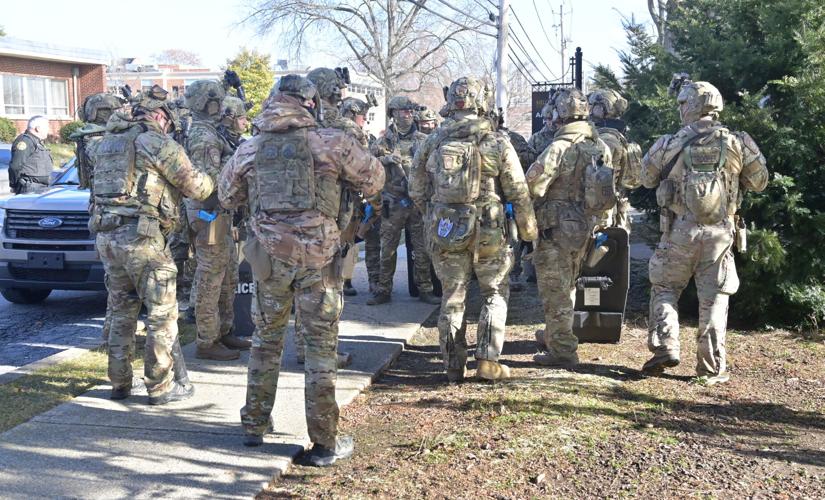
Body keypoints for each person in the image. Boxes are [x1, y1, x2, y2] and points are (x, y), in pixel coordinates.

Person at [218, 75, 384, 465]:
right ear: (310, 104)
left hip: (269, 259)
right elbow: (376, 179)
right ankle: (325, 442)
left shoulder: (251, 147)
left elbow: (226, 195)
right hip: (319, 259)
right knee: (320, 348)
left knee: (265, 341)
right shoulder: (331, 142)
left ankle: (254, 425)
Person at [90, 85, 214, 404]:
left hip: (107, 237)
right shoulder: (155, 141)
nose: (168, 127)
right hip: (142, 239)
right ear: (159, 115)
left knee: (121, 309)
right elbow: (196, 187)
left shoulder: (105, 143)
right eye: (168, 122)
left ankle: (119, 383)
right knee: (161, 312)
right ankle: (160, 386)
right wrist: (211, 178)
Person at [410, 77, 537, 382]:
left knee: (452, 297)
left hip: (446, 231)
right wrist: (529, 232)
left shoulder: (432, 142)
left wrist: (435, 213)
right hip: (489, 233)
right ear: (482, 103)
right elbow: (518, 191)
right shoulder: (496, 142)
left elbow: (416, 189)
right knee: (494, 293)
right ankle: (488, 361)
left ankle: (453, 367)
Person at [641, 80, 768, 385]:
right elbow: (760, 181)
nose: (680, 108)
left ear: (698, 105)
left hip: (678, 232)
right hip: (721, 235)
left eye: (684, 103)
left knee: (665, 288)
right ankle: (710, 368)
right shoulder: (737, 143)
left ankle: (665, 346)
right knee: (714, 298)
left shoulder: (669, 143)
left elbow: (645, 178)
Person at [525, 88, 613, 367]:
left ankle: (562, 350)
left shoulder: (559, 147)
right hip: (585, 227)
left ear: (560, 115)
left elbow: (532, 185)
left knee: (555, 291)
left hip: (556, 229)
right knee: (569, 284)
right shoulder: (600, 146)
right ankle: (555, 333)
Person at [184, 80, 251, 361]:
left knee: (227, 276)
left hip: (219, 213)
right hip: (208, 213)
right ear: (207, 103)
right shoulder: (203, 137)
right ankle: (207, 340)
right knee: (211, 279)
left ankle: (224, 331)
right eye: (217, 102)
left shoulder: (213, 133)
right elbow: (209, 180)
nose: (222, 107)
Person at [368, 96, 439, 306]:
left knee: (421, 249)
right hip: (393, 202)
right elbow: (367, 164)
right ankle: (383, 290)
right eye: (403, 111)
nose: (407, 114)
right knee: (387, 249)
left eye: (410, 111)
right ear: (393, 113)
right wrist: (385, 160)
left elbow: (434, 165)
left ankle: (425, 289)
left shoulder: (422, 139)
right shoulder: (383, 142)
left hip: (417, 203)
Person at [587, 89, 642, 232]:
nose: (589, 110)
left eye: (592, 106)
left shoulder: (606, 140)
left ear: (601, 108)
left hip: (601, 213)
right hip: (614, 208)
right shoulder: (617, 136)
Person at [339, 96, 376, 296]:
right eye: (363, 116)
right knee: (346, 239)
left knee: (347, 239)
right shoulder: (351, 132)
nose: (364, 121)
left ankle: (343, 279)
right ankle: (343, 280)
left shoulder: (330, 128)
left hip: (344, 194)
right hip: (346, 194)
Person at [9, 116, 53, 194]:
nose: (48, 130)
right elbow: (15, 166)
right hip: (30, 188)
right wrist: (14, 185)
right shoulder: (25, 141)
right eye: (46, 127)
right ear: (38, 128)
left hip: (40, 187)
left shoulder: (36, 142)